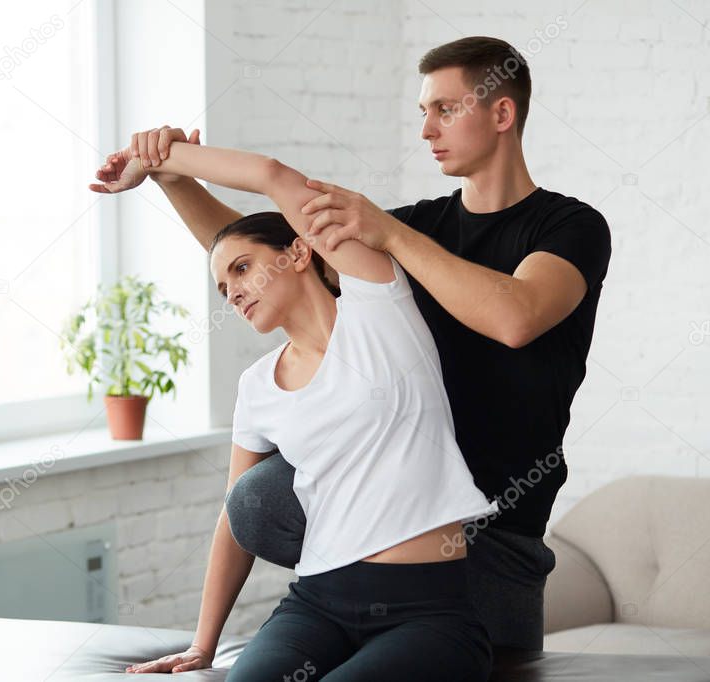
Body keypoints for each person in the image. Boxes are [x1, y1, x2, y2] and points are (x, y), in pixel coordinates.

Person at [111, 35, 612, 656]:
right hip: (382, 517)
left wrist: (391, 236)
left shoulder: (569, 226)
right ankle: (339, 594)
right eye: (422, 113)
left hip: (496, 532)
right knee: (256, 495)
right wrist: (172, 173)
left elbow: (517, 316)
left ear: (502, 114)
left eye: (445, 109)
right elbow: (270, 264)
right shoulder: (417, 224)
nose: (427, 129)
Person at [90, 134, 499, 679]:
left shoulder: (379, 311)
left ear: (301, 250)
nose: (232, 293)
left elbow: (274, 176)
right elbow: (234, 515)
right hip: (317, 604)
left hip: (426, 611)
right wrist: (203, 645)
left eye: (241, 268)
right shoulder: (257, 385)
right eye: (221, 287)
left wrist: (156, 160)